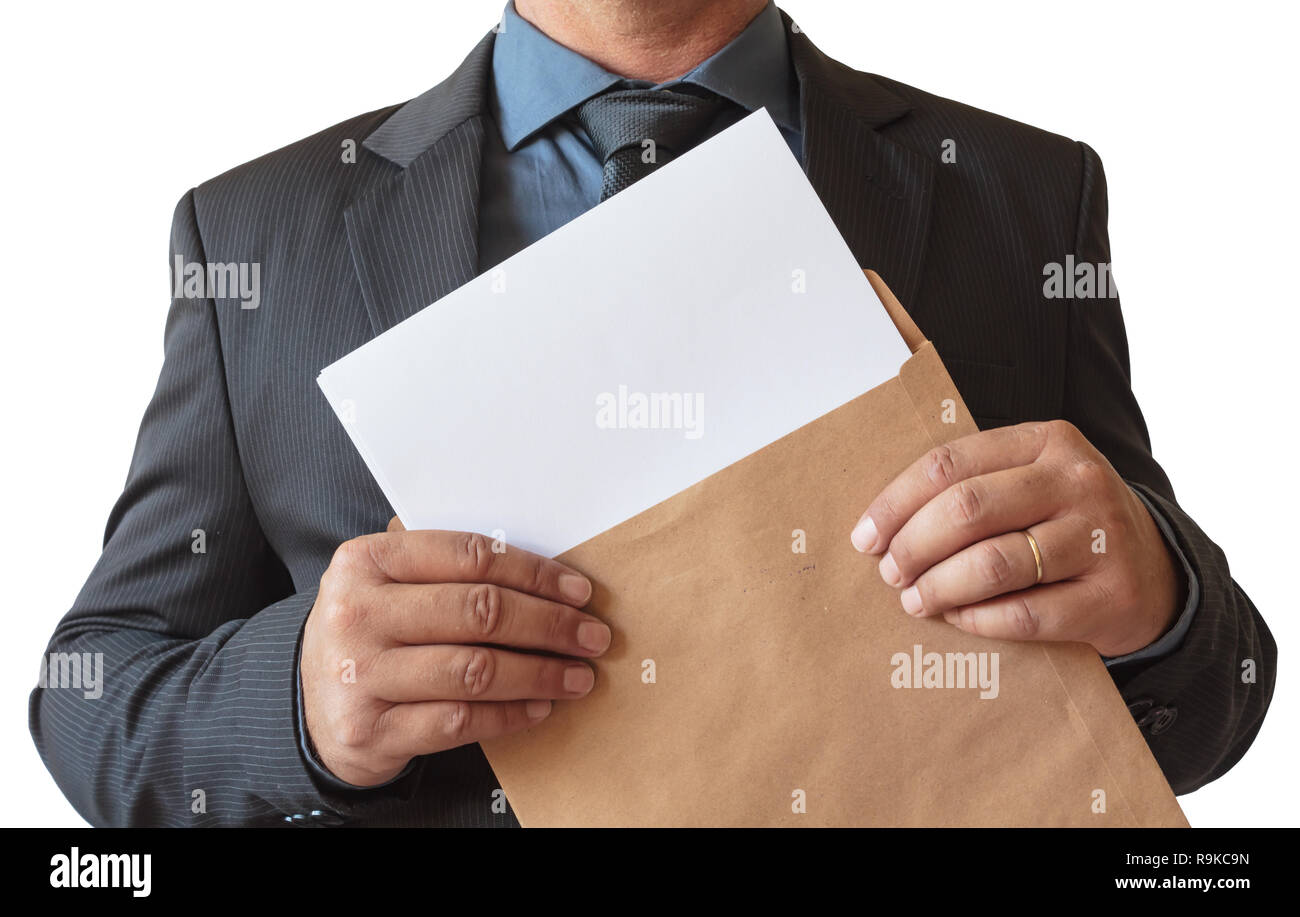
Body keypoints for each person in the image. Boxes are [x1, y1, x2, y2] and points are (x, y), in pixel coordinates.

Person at [30, 0, 1275, 826]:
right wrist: (302, 698)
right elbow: (93, 695)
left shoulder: (1023, 190)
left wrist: (1152, 601)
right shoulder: (260, 232)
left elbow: (1220, 693)